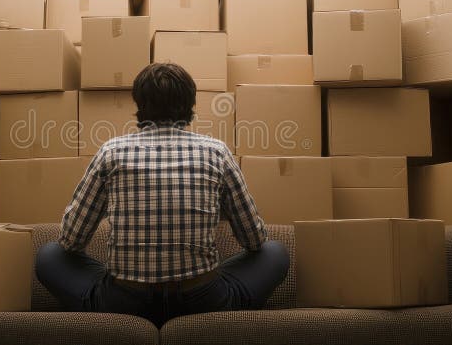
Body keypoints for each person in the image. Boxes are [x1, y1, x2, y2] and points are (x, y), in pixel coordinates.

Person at [35, 63, 289, 327]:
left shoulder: (111, 152)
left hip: (123, 301)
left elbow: (71, 240)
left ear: (139, 103)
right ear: (191, 104)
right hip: (203, 300)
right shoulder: (217, 152)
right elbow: (255, 240)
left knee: (49, 255)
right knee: (274, 252)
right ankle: (214, 311)